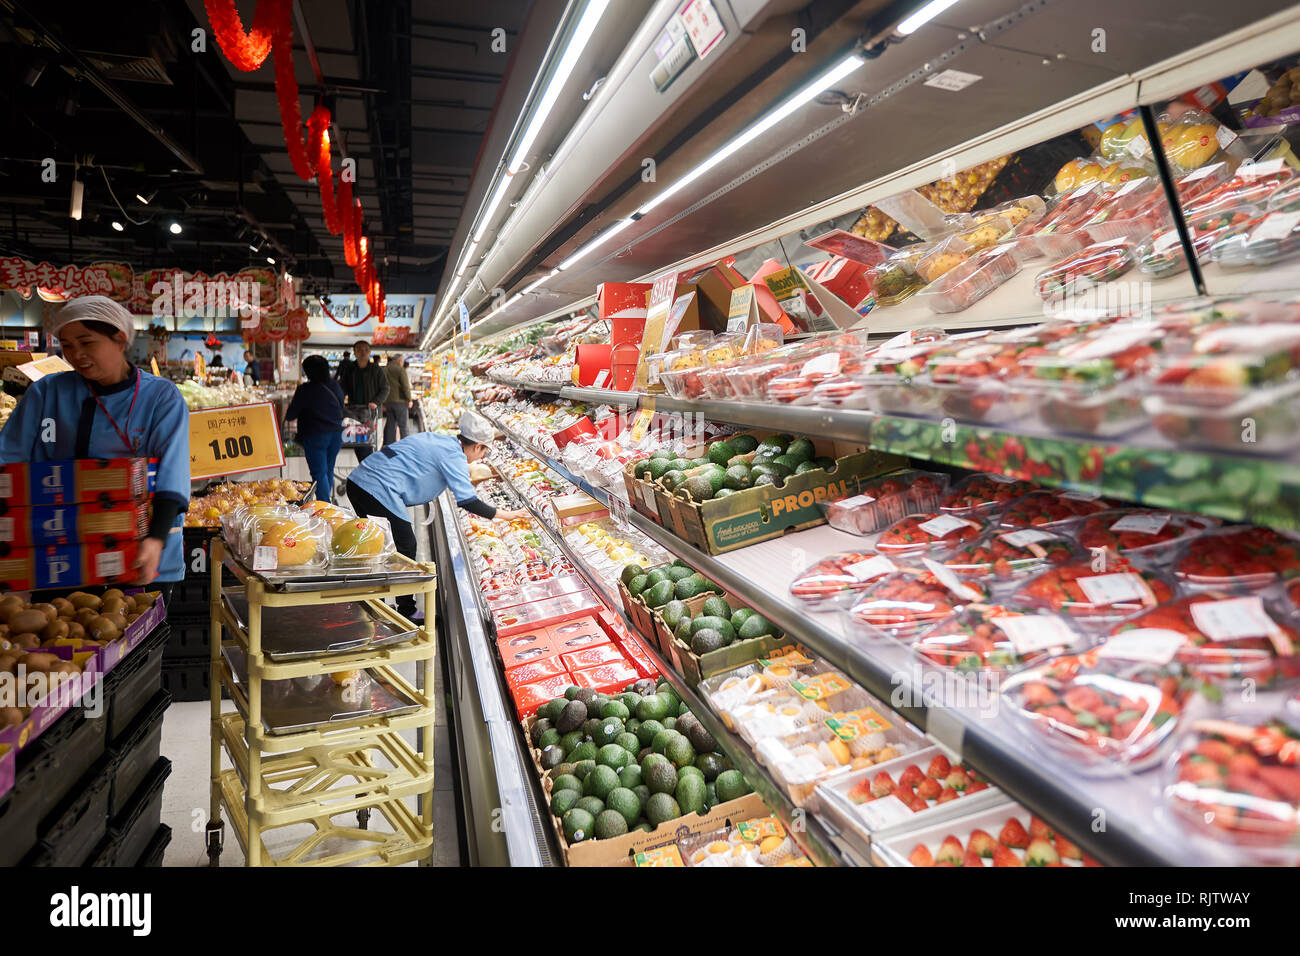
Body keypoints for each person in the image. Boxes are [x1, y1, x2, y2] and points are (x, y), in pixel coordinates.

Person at [0, 296, 190, 599]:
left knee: (136, 639)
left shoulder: (161, 398)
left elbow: (173, 474)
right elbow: (8, 459)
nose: (76, 355)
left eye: (86, 343)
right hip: (59, 558)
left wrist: (155, 540)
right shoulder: (46, 393)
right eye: (67, 345)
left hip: (140, 555)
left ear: (119, 339)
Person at [346, 410, 524, 619]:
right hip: (378, 490)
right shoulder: (455, 455)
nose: (482, 457)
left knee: (379, 544)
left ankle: (376, 607)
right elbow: (468, 501)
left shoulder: (443, 441)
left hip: (359, 481)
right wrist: (507, 515)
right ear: (477, 446)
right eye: (484, 452)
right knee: (405, 547)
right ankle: (405, 611)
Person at [284, 355, 345, 502]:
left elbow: (291, 415)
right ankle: (327, 502)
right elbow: (341, 406)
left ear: (308, 372)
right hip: (336, 434)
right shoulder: (335, 386)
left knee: (319, 473)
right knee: (328, 470)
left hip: (315, 435)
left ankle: (325, 506)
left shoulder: (305, 390)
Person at [340, 340, 388, 462]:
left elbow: (385, 388)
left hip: (372, 413)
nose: (363, 352)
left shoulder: (376, 370)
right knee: (359, 444)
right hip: (354, 414)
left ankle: (372, 471)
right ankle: (365, 471)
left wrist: (376, 402)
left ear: (370, 353)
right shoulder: (350, 369)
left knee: (374, 444)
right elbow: (342, 388)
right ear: (354, 353)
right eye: (359, 350)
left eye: (366, 350)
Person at [383, 354, 412, 445]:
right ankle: (405, 446)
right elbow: (405, 386)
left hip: (388, 401)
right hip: (400, 401)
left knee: (391, 425)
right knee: (403, 426)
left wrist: (383, 402)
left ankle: (389, 446)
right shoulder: (400, 369)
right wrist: (409, 399)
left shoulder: (385, 369)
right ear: (399, 361)